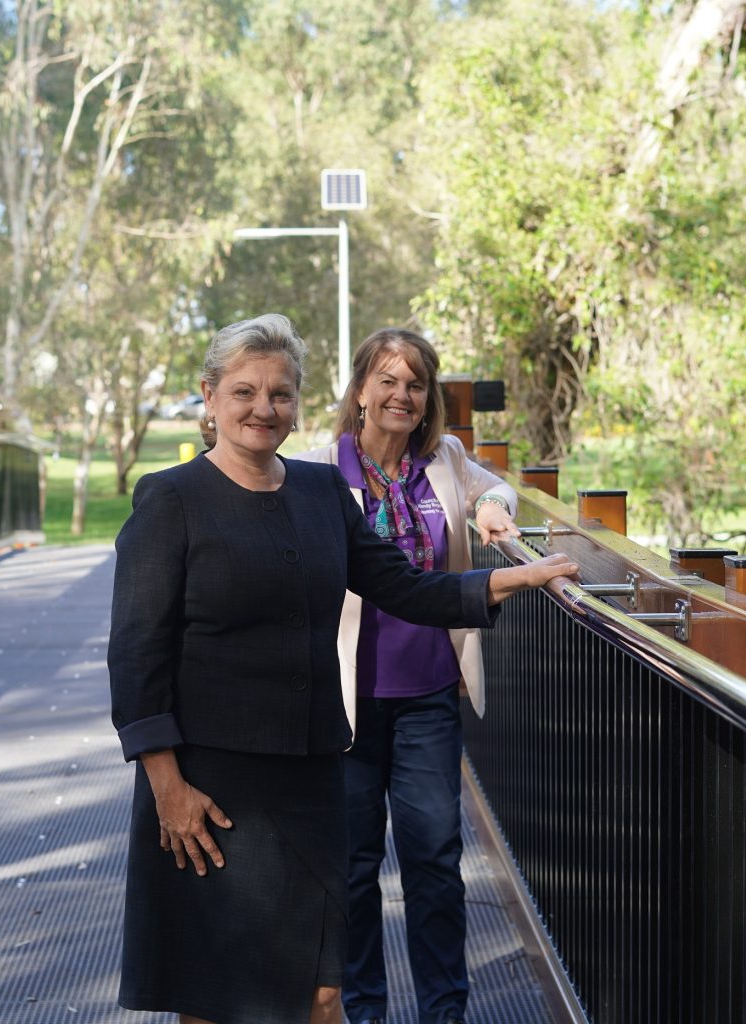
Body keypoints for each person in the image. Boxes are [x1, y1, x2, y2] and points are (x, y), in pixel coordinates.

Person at [107, 314, 575, 1024]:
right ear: (210, 397)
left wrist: (512, 578)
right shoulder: (171, 499)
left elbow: (404, 587)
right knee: (214, 994)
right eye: (244, 392)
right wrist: (166, 787)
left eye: (280, 393)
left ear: (298, 402)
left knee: (322, 990)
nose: (264, 408)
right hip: (210, 784)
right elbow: (137, 653)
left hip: (311, 776)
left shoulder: (320, 492)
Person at [292, 328, 519, 1024]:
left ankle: (443, 1012)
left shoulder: (444, 461)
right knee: (353, 868)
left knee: (435, 863)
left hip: (428, 696)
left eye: (415, 384)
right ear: (360, 389)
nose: (401, 395)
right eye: (387, 380)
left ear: (428, 398)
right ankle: (363, 1011)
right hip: (347, 705)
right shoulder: (319, 470)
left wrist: (492, 507)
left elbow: (497, 488)